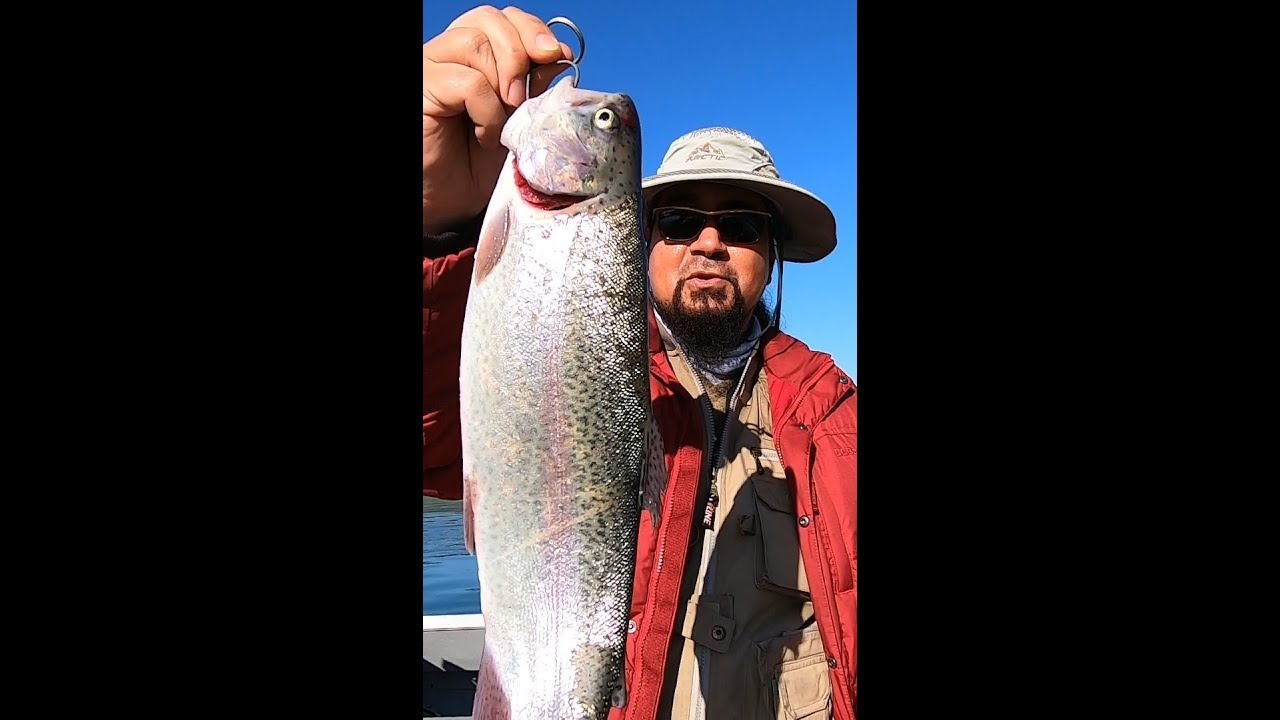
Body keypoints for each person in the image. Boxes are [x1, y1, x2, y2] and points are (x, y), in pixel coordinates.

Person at [422, 6, 856, 720]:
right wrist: (437, 226)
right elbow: (437, 427)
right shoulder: (574, 351)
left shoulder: (841, 417)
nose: (709, 243)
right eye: (680, 221)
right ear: (643, 241)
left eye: (741, 225)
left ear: (772, 254)